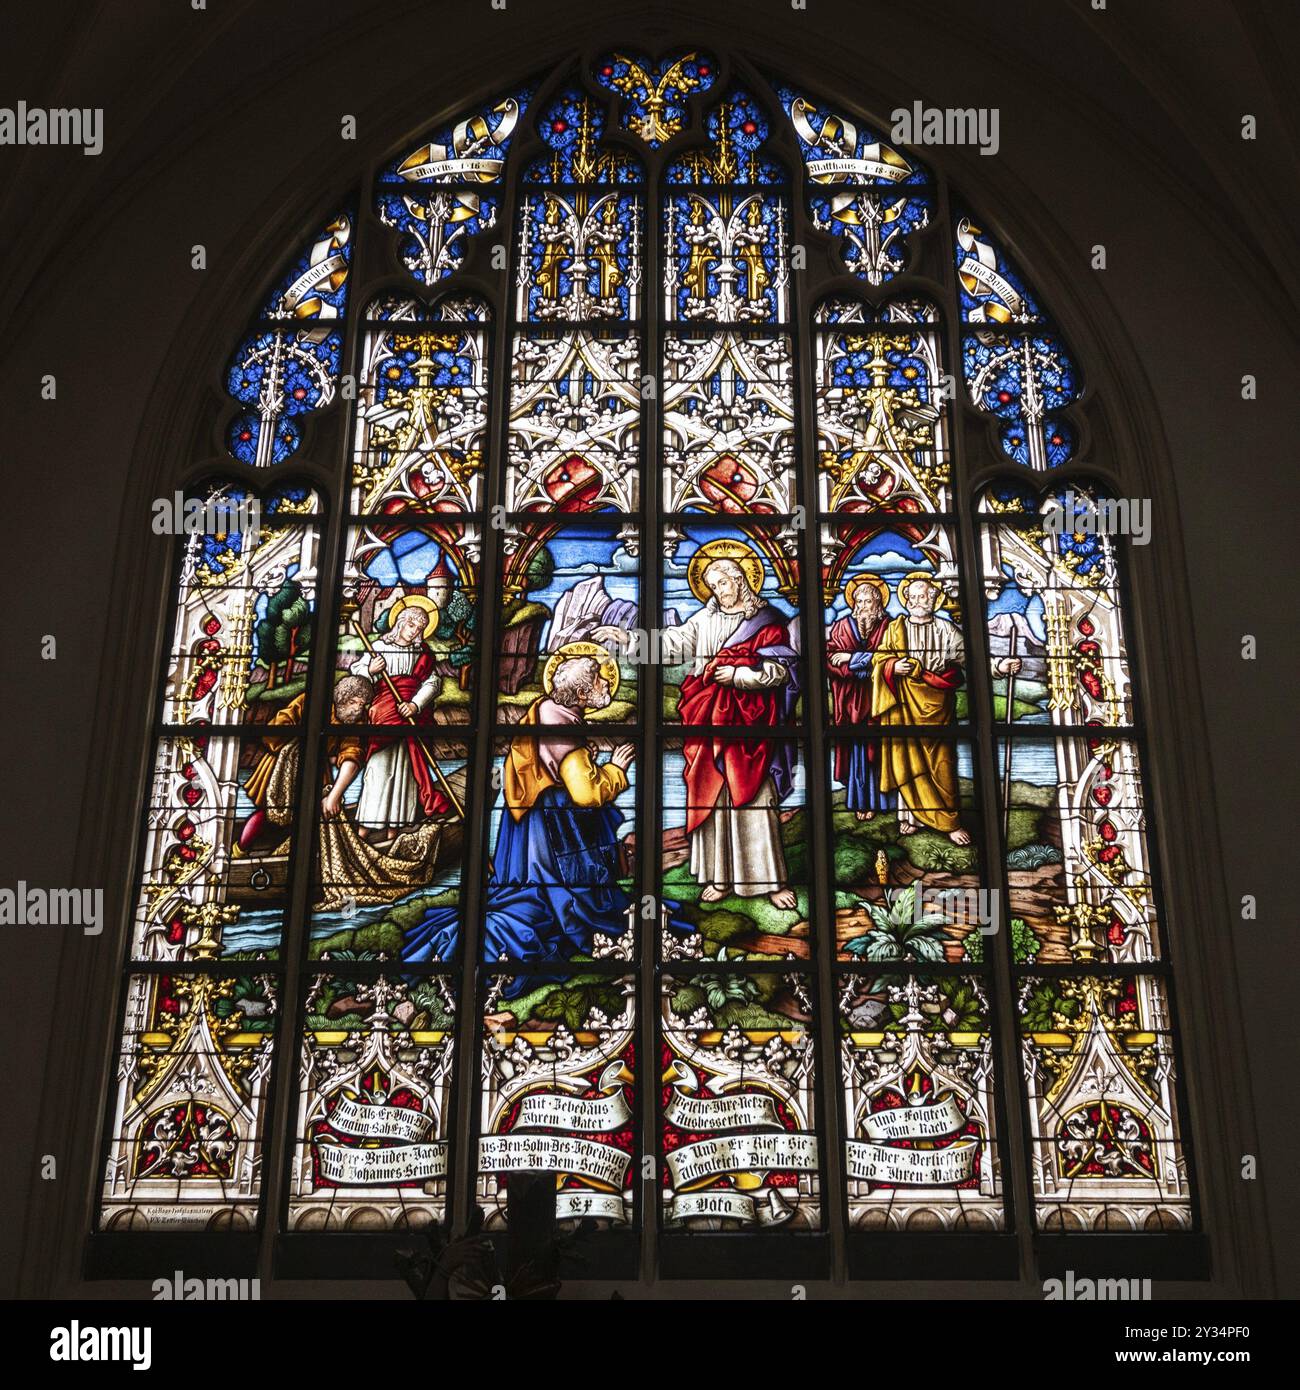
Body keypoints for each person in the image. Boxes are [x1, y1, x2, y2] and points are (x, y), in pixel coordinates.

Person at [404, 645, 642, 992]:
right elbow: (586, 794)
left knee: (527, 891)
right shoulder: (567, 738)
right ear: (580, 693)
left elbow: (537, 761)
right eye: (600, 682)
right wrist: (616, 769)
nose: (607, 684)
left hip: (528, 824)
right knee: (567, 904)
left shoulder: (543, 709)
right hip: (556, 835)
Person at [597, 539, 800, 909]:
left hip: (751, 727)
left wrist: (738, 676)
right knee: (711, 795)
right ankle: (720, 878)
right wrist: (629, 638)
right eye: (711, 585)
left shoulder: (768, 621)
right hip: (707, 722)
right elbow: (672, 643)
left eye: (722, 583)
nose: (717, 591)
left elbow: (779, 673)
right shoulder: (705, 619)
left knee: (755, 800)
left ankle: (771, 882)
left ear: (740, 580)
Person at [348, 596, 450, 840]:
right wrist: (370, 670)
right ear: (400, 623)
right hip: (384, 715)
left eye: (419, 628)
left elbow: (433, 681)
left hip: (409, 716)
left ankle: (394, 831)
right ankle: (363, 830)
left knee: (405, 774)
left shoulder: (422, 653)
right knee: (377, 772)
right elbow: (357, 673)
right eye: (411, 624)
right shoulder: (379, 647)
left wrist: (415, 705)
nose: (414, 630)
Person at [237, 674, 374, 853]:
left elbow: (352, 754)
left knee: (313, 813)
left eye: (362, 704)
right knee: (270, 813)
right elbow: (277, 726)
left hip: (318, 769)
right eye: (355, 701)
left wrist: (334, 795)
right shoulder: (311, 701)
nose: (358, 708)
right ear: (342, 696)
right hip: (279, 764)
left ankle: (293, 854)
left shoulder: (357, 719)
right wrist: (297, 741)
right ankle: (238, 851)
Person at [826, 574, 892, 821]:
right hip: (850, 701)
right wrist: (856, 667)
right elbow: (829, 660)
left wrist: (852, 660)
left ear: (879, 603)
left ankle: (881, 803)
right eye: (859, 601)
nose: (863, 607)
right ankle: (859, 801)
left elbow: (889, 658)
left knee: (880, 752)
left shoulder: (890, 627)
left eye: (868, 601)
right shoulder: (842, 626)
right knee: (856, 755)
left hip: (880, 700)